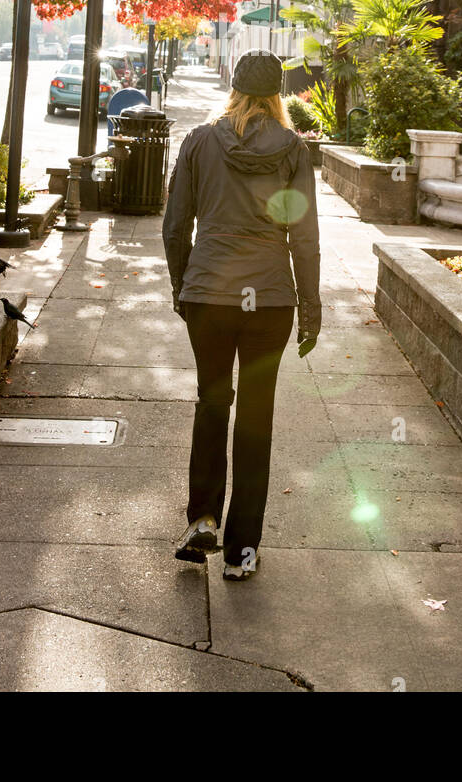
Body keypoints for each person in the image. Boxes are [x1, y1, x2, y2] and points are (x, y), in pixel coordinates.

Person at [162, 49, 322, 581]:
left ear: (232, 87)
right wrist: (310, 305)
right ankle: (242, 550)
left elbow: (175, 225)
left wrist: (184, 286)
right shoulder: (294, 150)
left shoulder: (198, 142)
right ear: (278, 94)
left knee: (212, 402)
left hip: (209, 294)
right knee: (256, 418)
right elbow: (304, 236)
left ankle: (201, 519)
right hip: (271, 300)